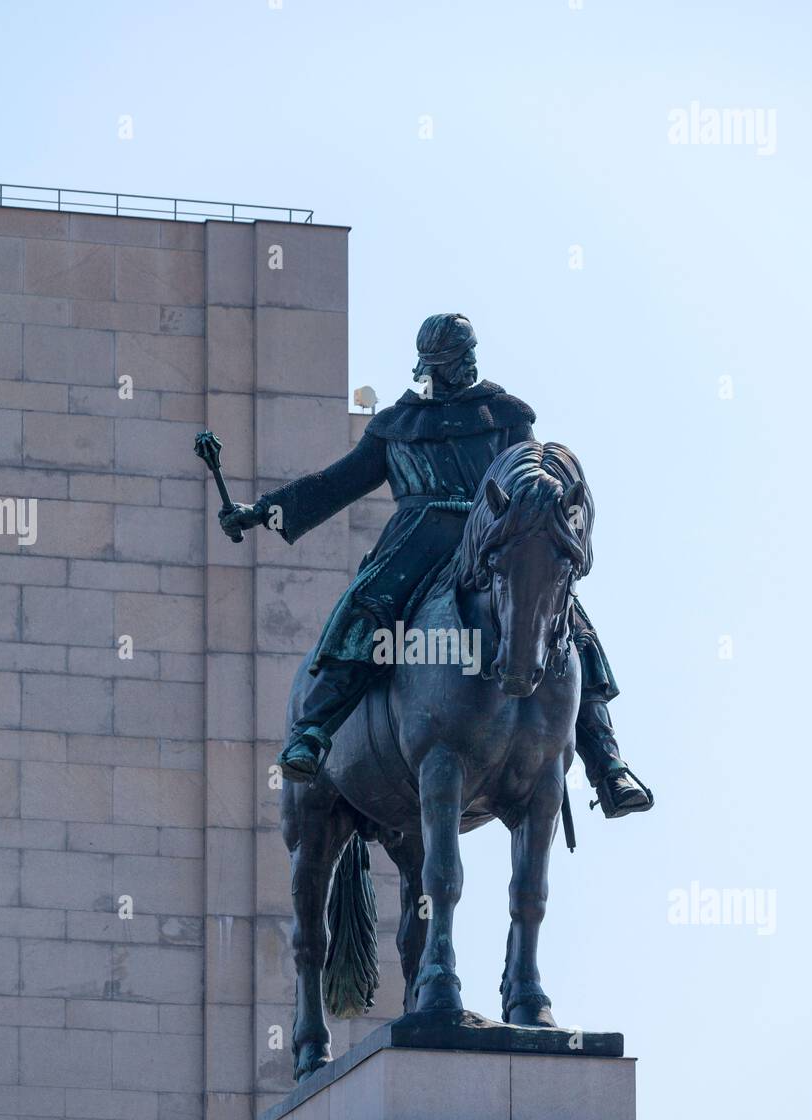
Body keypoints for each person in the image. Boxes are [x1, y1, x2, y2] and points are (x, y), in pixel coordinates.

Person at [207, 313, 652, 818]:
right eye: (457, 360)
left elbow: (532, 480)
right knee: (365, 610)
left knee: (566, 616)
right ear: (432, 366)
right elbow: (337, 484)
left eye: (470, 356)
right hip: (419, 540)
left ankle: (607, 763)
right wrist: (262, 510)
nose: (469, 367)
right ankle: (314, 730)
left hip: (495, 537)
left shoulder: (505, 414)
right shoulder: (397, 425)